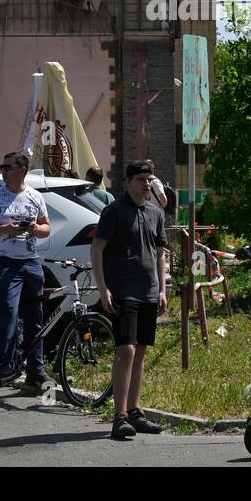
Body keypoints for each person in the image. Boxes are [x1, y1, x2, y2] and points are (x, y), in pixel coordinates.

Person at [91, 159, 168, 441]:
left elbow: (160, 252)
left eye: (149, 180)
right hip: (123, 291)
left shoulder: (155, 212)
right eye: (140, 180)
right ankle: (119, 416)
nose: (146, 185)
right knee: (127, 351)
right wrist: (103, 289)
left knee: (141, 351)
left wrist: (162, 289)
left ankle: (136, 412)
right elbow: (97, 249)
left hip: (149, 290)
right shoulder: (114, 211)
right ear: (128, 182)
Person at [0, 151, 51, 389]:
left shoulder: (35, 197)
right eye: (2, 167)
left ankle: (35, 370)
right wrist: (4, 229)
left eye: (7, 167)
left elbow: (47, 228)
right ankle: (4, 365)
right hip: (3, 261)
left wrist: (35, 228)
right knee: (9, 309)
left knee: (35, 319)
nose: (3, 171)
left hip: (30, 261)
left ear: (22, 170)